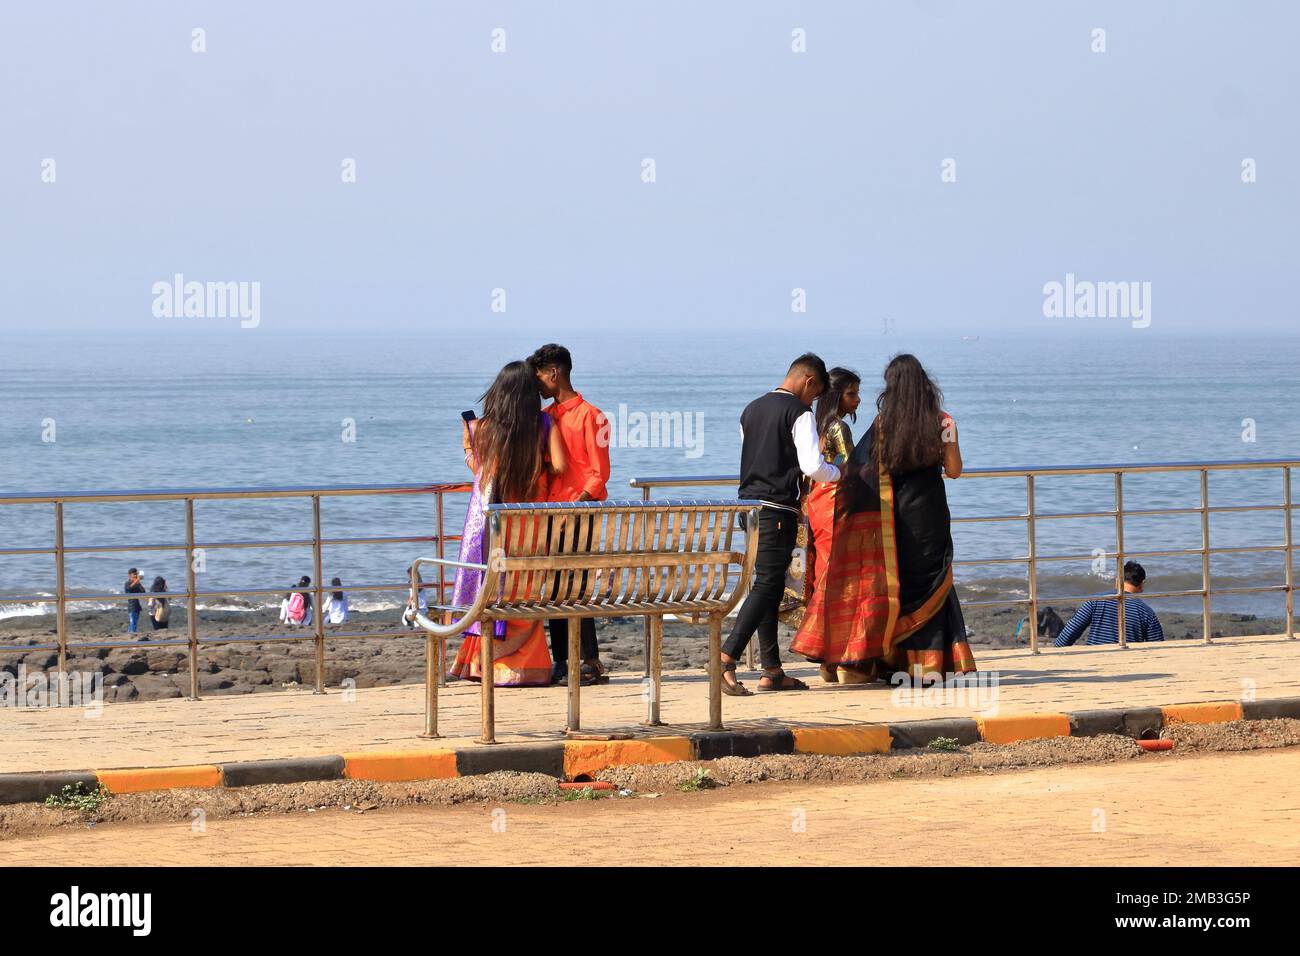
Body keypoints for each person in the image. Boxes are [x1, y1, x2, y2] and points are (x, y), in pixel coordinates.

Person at [790, 353, 976, 683]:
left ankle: (885, 662)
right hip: (929, 513)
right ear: (925, 386)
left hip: (891, 516)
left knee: (895, 583)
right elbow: (955, 470)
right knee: (932, 580)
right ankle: (929, 666)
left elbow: (860, 471)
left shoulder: (882, 424)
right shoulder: (944, 422)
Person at [720, 353, 841, 695]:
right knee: (768, 584)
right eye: (815, 395)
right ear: (809, 382)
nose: (813, 402)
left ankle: (771, 669)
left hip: (749, 506)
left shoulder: (751, 409)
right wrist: (839, 472)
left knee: (767, 584)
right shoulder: (798, 413)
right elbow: (812, 466)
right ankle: (726, 658)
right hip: (777, 508)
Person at [449, 360, 567, 686]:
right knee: (522, 593)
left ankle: (481, 663)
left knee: (490, 590)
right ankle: (524, 667)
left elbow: (480, 472)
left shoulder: (482, 428)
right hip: (529, 527)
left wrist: (467, 447)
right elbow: (559, 465)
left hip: (490, 528)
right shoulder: (544, 425)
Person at [529, 343, 612, 687]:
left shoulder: (593, 416)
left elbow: (600, 472)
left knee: (574, 588)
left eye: (540, 379)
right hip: (552, 510)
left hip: (579, 510)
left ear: (554, 373)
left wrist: (575, 506)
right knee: (556, 590)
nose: (538, 387)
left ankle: (587, 660)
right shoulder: (547, 418)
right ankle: (566, 660)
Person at [787, 367, 861, 683]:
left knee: (820, 575)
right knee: (838, 578)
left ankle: (825, 657)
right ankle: (832, 657)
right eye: (851, 393)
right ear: (835, 395)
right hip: (835, 506)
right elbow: (849, 470)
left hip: (813, 505)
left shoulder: (813, 426)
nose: (857, 400)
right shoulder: (837, 428)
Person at [1054, 561, 1165, 646]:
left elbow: (1066, 636)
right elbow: (1157, 647)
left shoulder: (1094, 601)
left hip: (1094, 662)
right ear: (1142, 583)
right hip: (1129, 664)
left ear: (1117, 580)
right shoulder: (1147, 612)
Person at [124, 568, 145, 634]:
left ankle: (130, 633)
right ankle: (131, 634)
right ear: (129, 575)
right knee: (133, 622)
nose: (136, 576)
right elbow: (129, 588)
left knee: (134, 622)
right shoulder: (127, 583)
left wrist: (139, 583)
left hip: (137, 606)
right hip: (131, 606)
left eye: (136, 574)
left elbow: (143, 592)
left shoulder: (136, 583)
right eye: (134, 574)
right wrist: (136, 581)